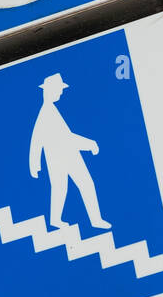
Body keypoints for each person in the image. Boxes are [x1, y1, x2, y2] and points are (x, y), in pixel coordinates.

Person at [28, 73, 111, 231]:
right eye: (59, 89)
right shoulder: (47, 112)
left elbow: (44, 139)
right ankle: (92, 220)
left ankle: (58, 219)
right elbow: (41, 139)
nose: (60, 92)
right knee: (82, 185)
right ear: (50, 90)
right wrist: (90, 144)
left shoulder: (50, 110)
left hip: (62, 157)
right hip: (64, 157)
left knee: (64, 187)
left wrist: (35, 163)